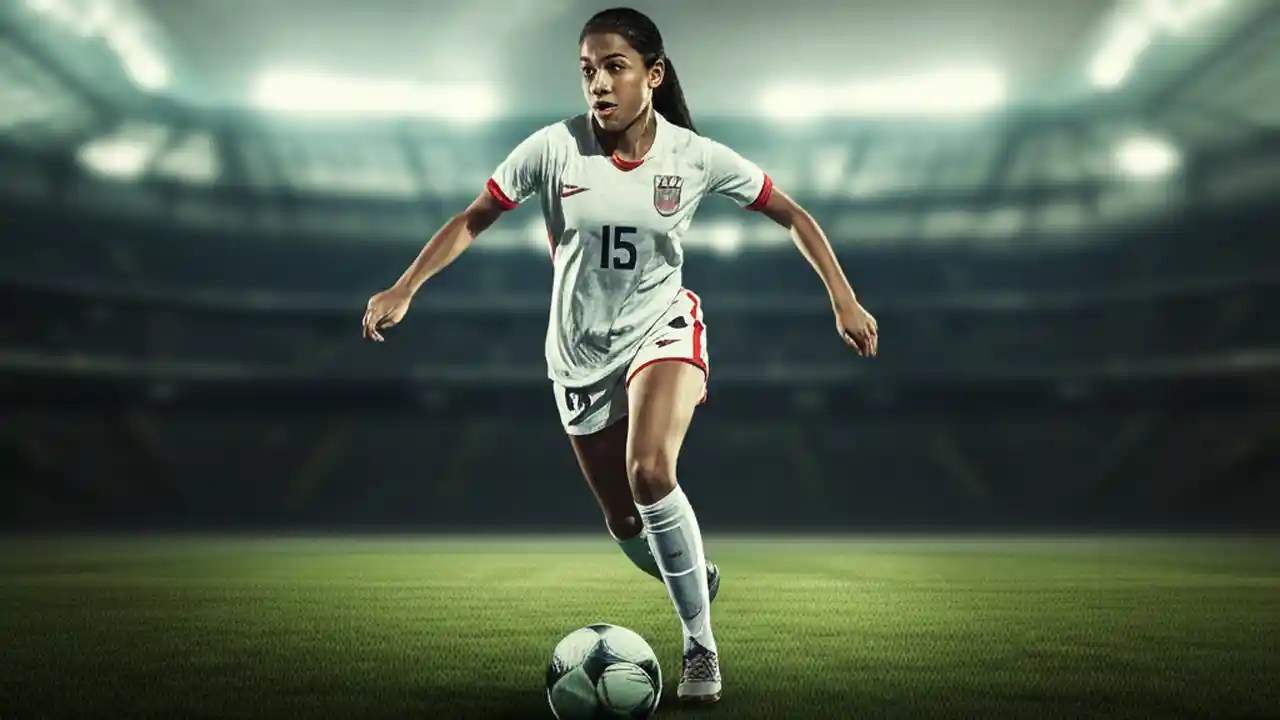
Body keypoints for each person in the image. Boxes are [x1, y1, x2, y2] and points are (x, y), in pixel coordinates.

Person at [362, 6, 878, 704]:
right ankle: (693, 572)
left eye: (614, 67)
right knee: (626, 521)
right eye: (587, 71)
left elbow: (791, 212)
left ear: (653, 75)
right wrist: (406, 285)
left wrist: (844, 299)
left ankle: (700, 648)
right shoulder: (552, 148)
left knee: (649, 471)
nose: (598, 84)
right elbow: (473, 217)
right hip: (577, 356)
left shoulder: (692, 156)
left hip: (661, 326)